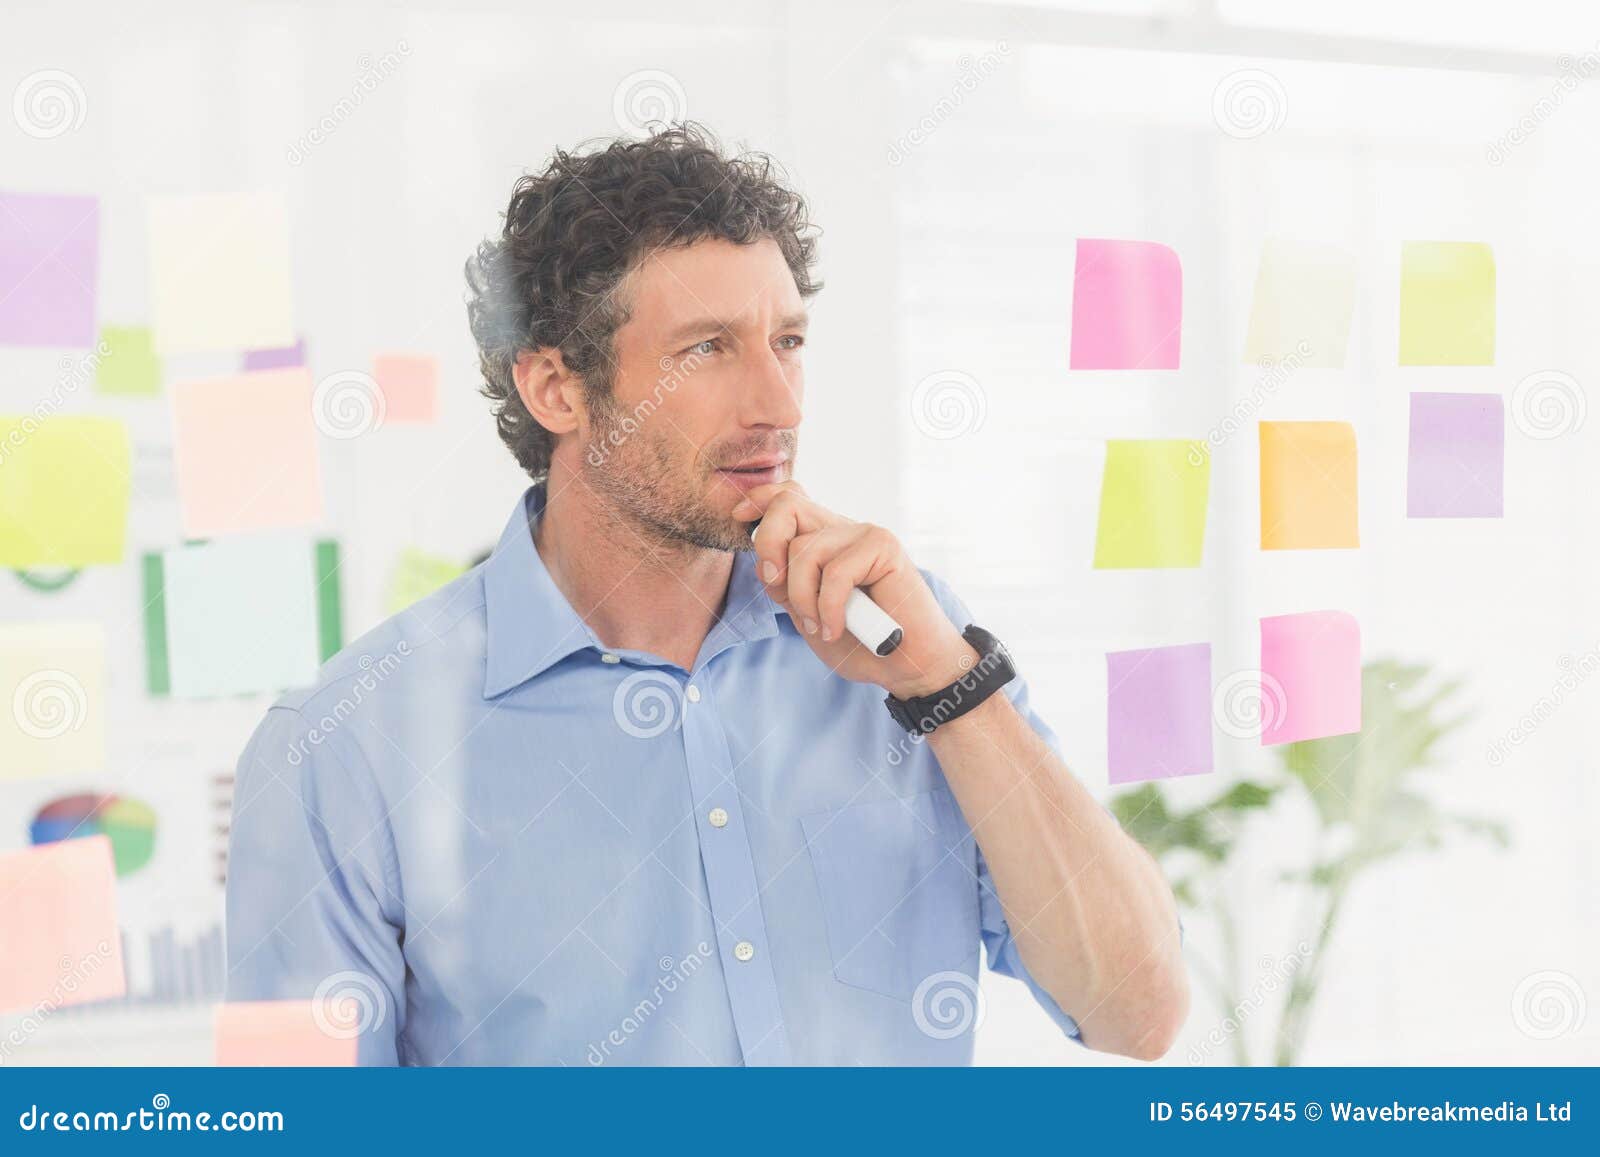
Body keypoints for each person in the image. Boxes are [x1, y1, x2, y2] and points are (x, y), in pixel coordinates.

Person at [225, 124, 1187, 1066]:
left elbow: (1138, 1017)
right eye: (707, 349)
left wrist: (947, 684)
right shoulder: (345, 747)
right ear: (557, 389)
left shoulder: (909, 642)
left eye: (788, 340)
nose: (779, 403)